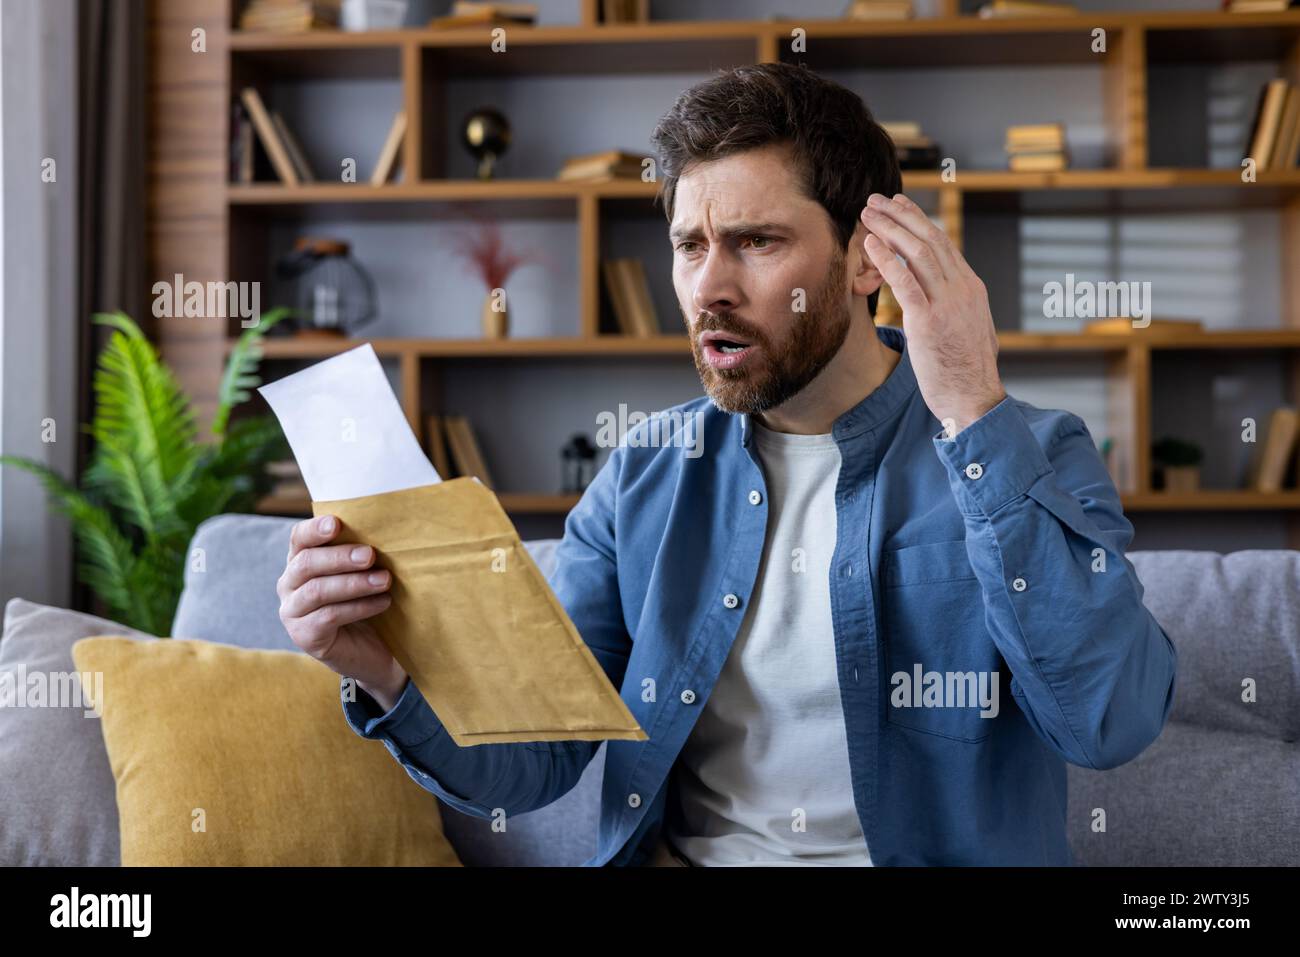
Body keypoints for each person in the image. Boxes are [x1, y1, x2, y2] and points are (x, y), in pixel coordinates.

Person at [277, 62, 1177, 867]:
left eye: (754, 241)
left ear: (866, 259)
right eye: (689, 245)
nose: (709, 285)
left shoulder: (1026, 450)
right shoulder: (645, 475)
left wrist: (974, 406)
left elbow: (1105, 721)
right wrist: (384, 671)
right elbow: (535, 755)